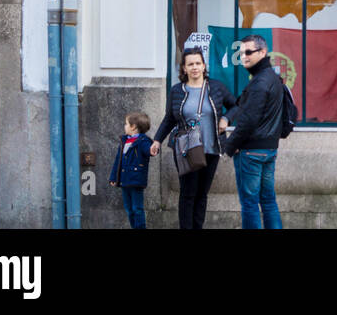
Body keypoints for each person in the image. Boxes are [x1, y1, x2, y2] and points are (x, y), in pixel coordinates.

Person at [152, 46, 237, 229]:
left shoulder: (216, 87)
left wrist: (226, 118)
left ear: (204, 65)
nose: (195, 67)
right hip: (186, 148)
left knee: (202, 194)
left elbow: (235, 105)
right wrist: (157, 139)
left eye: (198, 63)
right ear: (184, 68)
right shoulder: (177, 90)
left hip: (212, 148)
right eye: (190, 64)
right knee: (188, 193)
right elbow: (169, 119)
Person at [220, 34, 285, 229]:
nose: (244, 57)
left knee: (249, 204)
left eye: (248, 52)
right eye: (241, 53)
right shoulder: (272, 78)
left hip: (252, 152)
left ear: (263, 52)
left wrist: (230, 146)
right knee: (268, 201)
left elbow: (248, 121)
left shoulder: (260, 82)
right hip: (268, 149)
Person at [108, 111, 152, 229]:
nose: (125, 126)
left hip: (136, 181)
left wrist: (153, 150)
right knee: (129, 209)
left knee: (137, 209)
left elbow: (149, 150)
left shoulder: (143, 141)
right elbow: (118, 161)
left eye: (126, 124)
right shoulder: (124, 141)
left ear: (133, 127)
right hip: (124, 181)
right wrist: (113, 177)